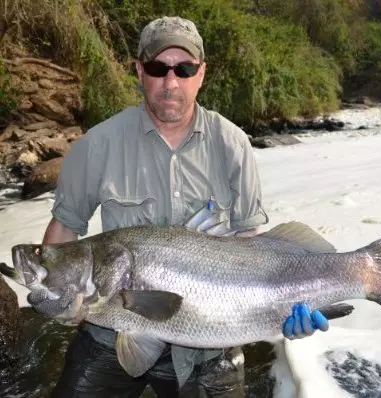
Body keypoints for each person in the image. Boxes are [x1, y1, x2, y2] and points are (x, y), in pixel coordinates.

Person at [43, 16, 329, 397]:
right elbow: (63, 231)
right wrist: (50, 293)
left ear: (202, 73)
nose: (171, 82)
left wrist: (288, 306)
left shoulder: (233, 144)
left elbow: (253, 244)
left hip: (210, 346)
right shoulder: (96, 145)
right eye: (158, 68)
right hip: (112, 333)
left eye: (185, 68)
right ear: (139, 71)